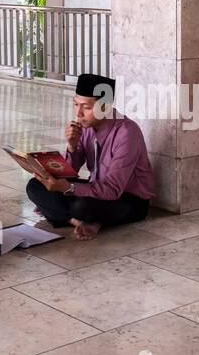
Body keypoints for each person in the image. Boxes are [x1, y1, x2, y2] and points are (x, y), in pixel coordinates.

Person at [25, 73, 154, 241]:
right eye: (75, 104)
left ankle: (66, 214)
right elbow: (70, 172)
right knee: (35, 186)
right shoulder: (86, 125)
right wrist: (71, 146)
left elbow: (113, 190)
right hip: (98, 188)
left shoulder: (127, 133)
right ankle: (76, 221)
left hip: (128, 198)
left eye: (85, 107)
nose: (78, 113)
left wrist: (66, 189)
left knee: (81, 205)